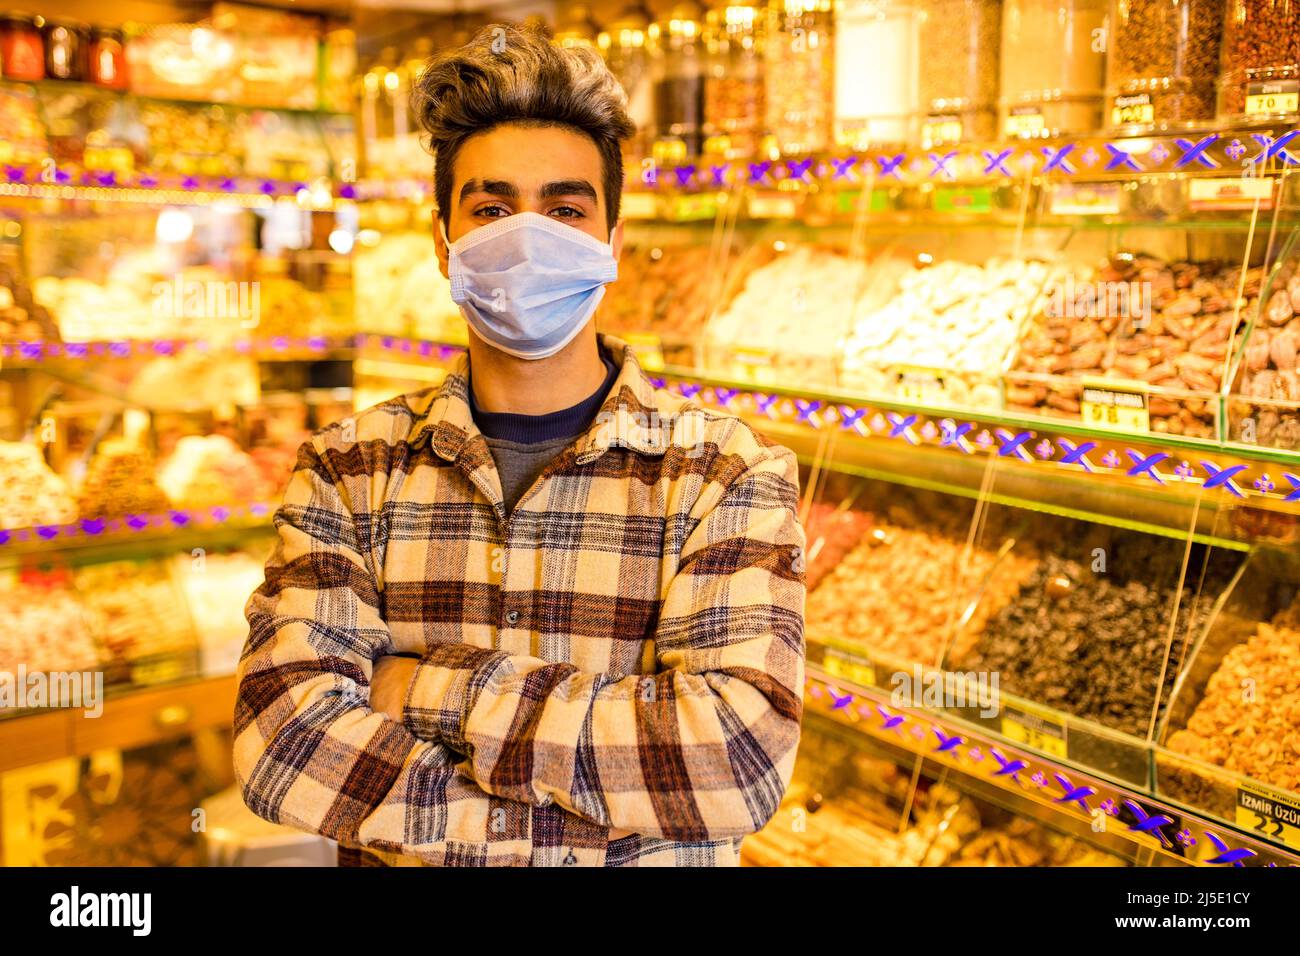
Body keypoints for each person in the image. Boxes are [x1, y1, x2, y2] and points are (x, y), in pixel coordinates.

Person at [233, 21, 805, 867]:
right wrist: (569, 826)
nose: (528, 236)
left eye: (565, 210)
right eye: (493, 209)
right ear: (444, 242)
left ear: (610, 246)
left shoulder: (724, 476)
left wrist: (426, 684)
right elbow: (281, 745)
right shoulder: (350, 470)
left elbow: (732, 764)